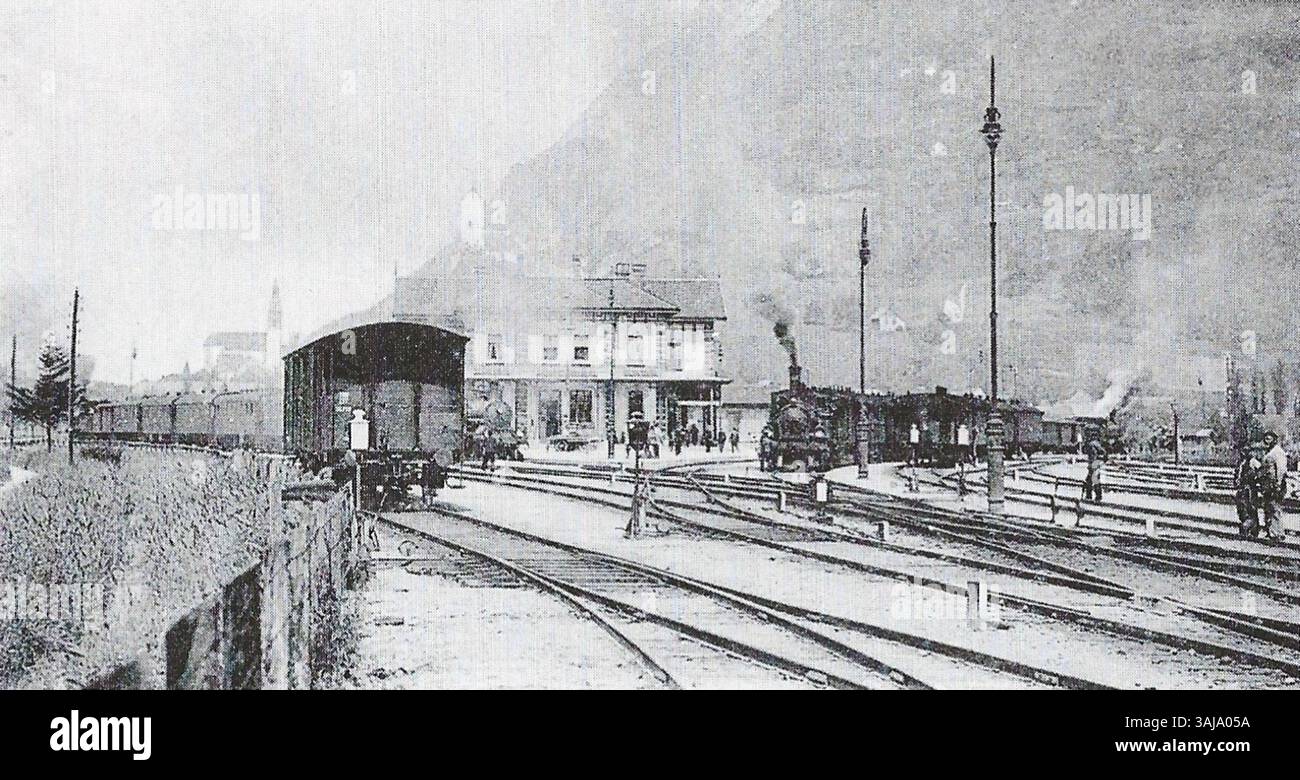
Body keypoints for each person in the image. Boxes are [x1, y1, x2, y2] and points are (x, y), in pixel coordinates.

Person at [1260, 432, 1289, 541]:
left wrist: (1277, 485)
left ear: (1274, 439)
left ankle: (1278, 533)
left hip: (1275, 484)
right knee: (1268, 507)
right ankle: (1271, 531)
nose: (1267, 440)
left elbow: (1281, 469)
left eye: (1269, 438)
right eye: (1266, 438)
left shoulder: (1278, 452)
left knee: (1275, 508)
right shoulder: (1269, 451)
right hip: (1267, 484)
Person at [1235, 445, 1264, 538]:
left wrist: (1255, 478)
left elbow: (1261, 471)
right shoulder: (1241, 462)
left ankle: (1252, 530)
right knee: (1242, 509)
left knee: (1251, 508)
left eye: (1246, 451)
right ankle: (1247, 527)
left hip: (1250, 489)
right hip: (1241, 489)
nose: (1243, 453)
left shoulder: (1253, 462)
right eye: (1242, 451)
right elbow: (1237, 474)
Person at [1083, 433, 1106, 502]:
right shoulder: (1095, 444)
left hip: (1093, 463)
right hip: (1095, 463)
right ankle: (1095, 496)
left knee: (1091, 480)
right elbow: (1103, 452)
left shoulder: (1092, 444)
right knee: (1092, 480)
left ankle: (1091, 496)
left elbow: (1102, 451)